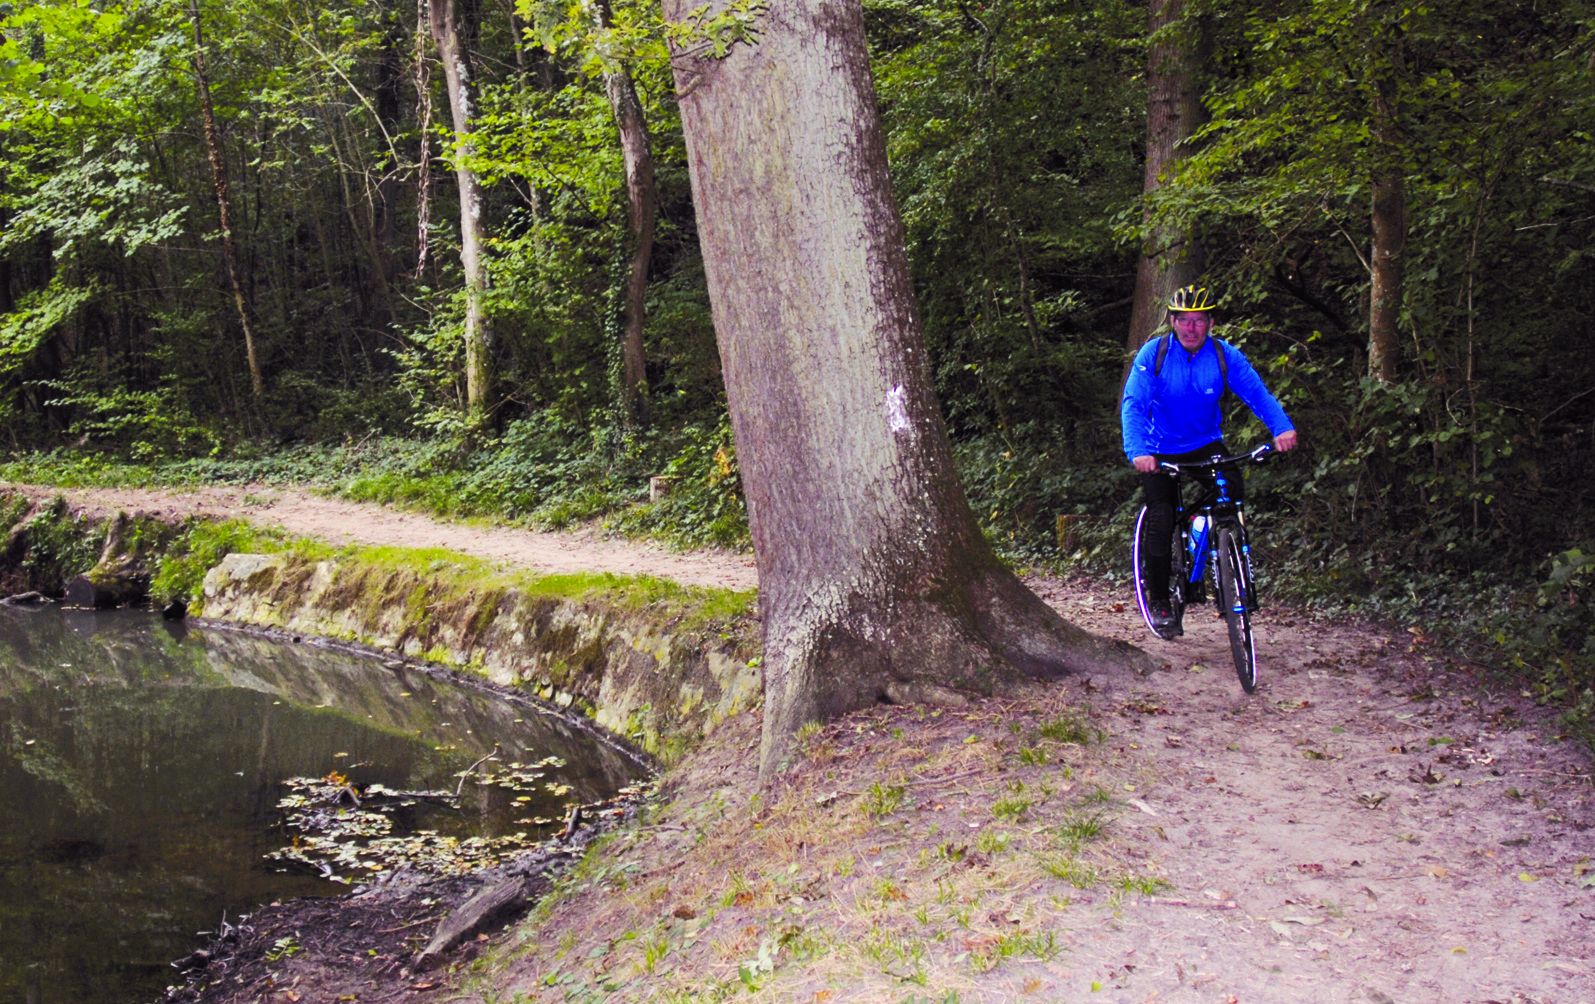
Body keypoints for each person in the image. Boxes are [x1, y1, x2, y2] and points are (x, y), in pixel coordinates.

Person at [1121, 284, 1298, 633]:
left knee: (1230, 488)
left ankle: (1231, 571)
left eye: (1198, 320)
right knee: (1162, 516)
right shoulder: (1153, 354)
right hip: (1159, 447)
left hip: (1204, 442)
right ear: (1172, 322)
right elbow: (1134, 405)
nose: (1191, 328)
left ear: (1211, 324)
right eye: (1184, 320)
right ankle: (1159, 600)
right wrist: (1139, 450)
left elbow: (1257, 394)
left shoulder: (1224, 355)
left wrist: (1282, 427)